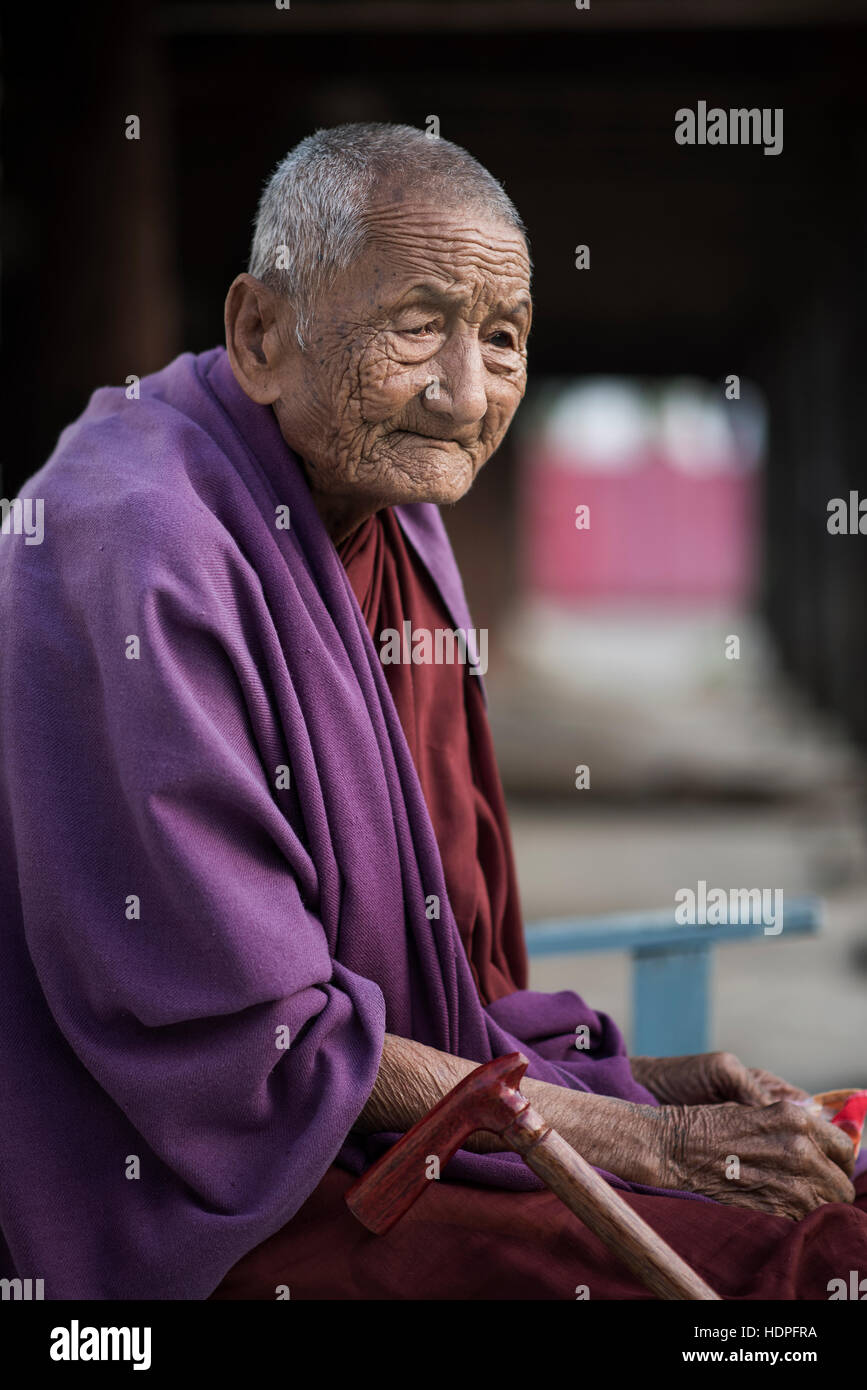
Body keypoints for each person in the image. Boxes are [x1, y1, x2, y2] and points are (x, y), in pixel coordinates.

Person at [0, 124, 864, 1301]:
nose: (465, 395)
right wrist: (653, 1145)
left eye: (502, 339)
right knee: (803, 1273)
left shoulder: (383, 504)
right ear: (262, 332)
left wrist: (658, 1082)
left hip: (399, 1119)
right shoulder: (137, 537)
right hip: (203, 1193)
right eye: (418, 325)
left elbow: (440, 972)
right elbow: (258, 1047)